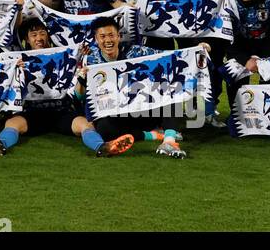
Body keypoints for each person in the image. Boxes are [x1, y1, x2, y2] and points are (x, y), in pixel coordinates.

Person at [72, 16, 187, 158]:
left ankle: (169, 141)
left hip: (143, 109)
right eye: (102, 36)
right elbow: (78, 96)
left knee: (172, 91)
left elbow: (168, 56)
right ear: (96, 39)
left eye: (111, 35)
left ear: (118, 36)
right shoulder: (90, 60)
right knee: (103, 129)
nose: (107, 40)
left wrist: (198, 50)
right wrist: (82, 79)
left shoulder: (136, 52)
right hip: (118, 114)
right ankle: (153, 135)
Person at [0, 18, 75, 155]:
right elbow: (0, 69)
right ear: (27, 39)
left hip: (60, 110)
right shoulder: (18, 59)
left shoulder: (63, 56)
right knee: (13, 124)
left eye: (42, 33)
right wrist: (16, 71)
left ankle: (103, 146)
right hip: (32, 112)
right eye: (34, 35)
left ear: (48, 35)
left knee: (85, 125)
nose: (39, 38)